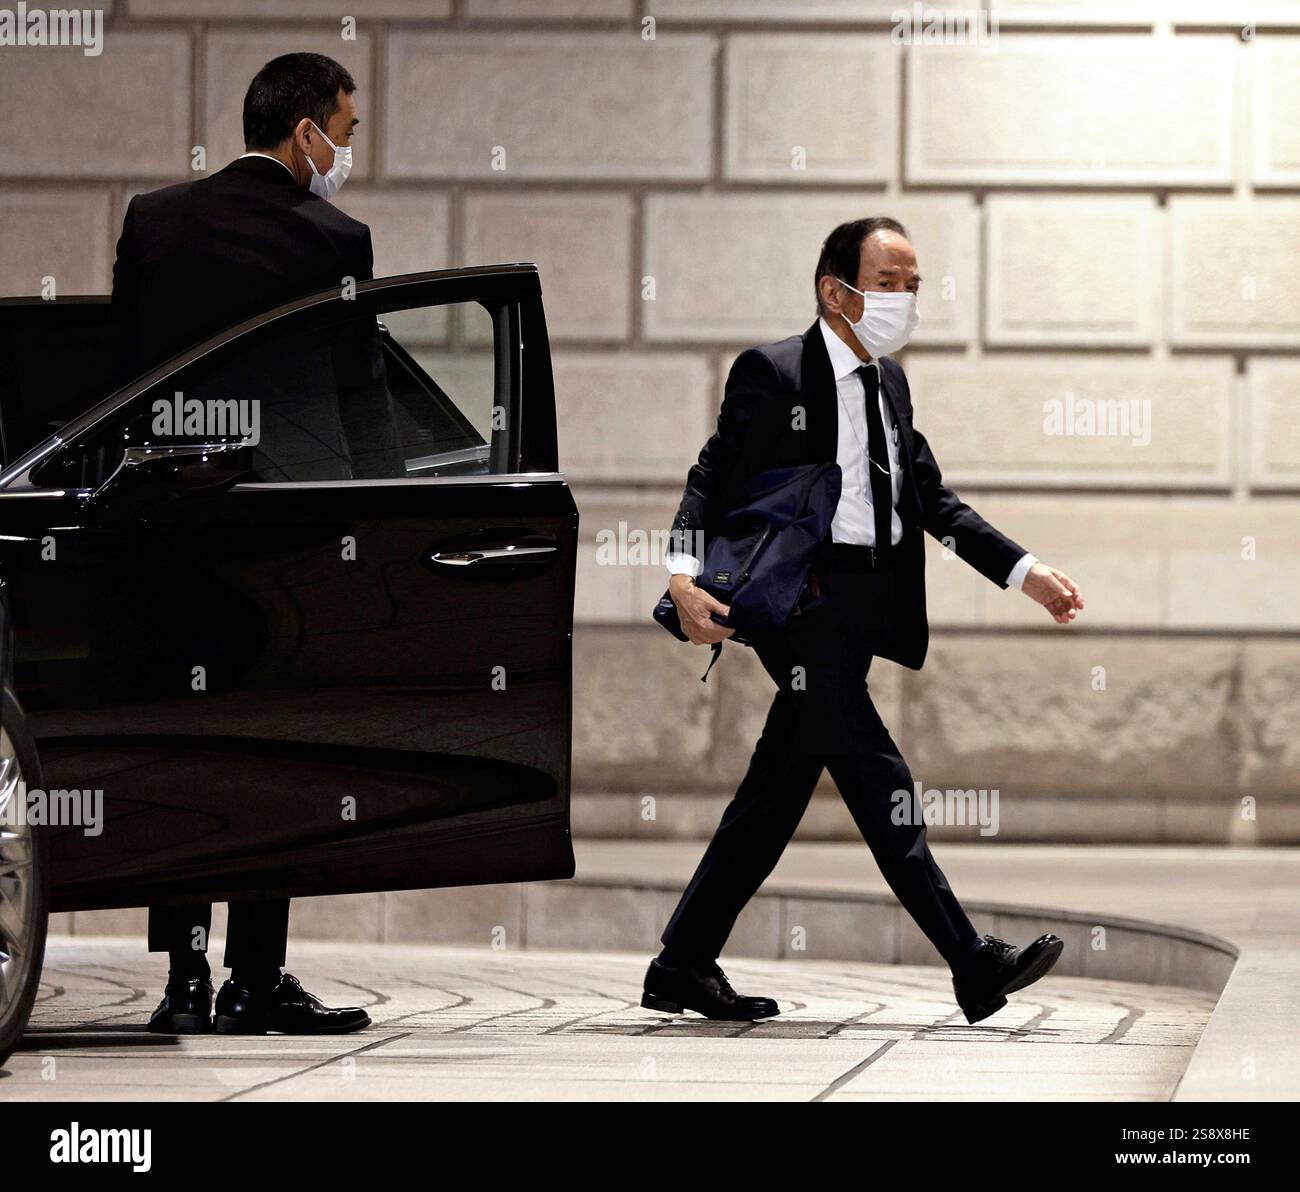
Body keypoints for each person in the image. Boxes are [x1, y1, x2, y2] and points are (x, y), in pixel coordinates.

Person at [642, 217, 1083, 1026]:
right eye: (889, 283)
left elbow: (930, 502)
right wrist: (679, 570)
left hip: (860, 607)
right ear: (834, 290)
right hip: (798, 606)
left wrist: (1023, 572)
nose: (905, 301)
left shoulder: (891, 383)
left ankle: (682, 964)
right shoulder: (774, 372)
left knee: (776, 792)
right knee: (881, 778)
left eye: (914, 286)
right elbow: (712, 475)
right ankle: (970, 961)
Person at [109, 51, 383, 1035]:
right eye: (345, 135)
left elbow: (125, 374)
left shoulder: (153, 219)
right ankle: (253, 981)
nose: (347, 155)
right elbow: (359, 396)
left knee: (185, 748)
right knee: (277, 748)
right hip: (282, 535)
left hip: (164, 526)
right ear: (305, 131)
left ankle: (182, 981)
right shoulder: (334, 236)